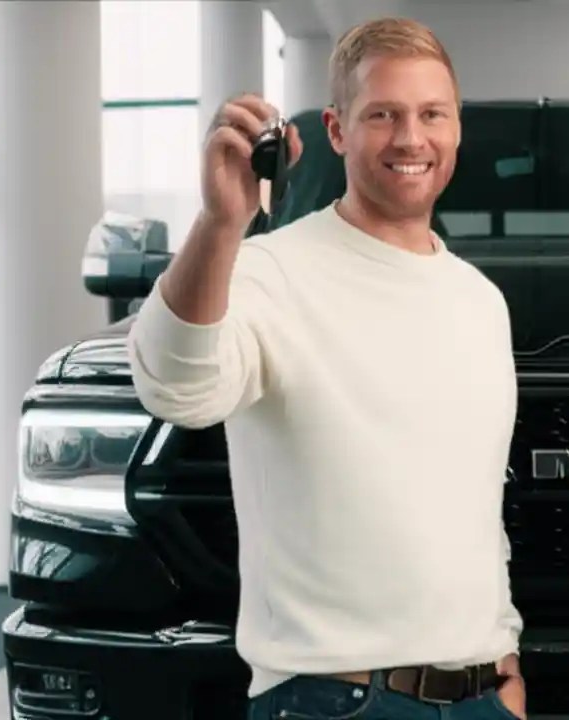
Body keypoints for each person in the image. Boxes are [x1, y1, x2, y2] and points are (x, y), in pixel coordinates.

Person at [126, 16, 528, 720]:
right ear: (339, 131)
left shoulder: (480, 301)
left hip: (479, 699)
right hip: (333, 699)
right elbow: (176, 387)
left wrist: (506, 662)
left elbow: (474, 515)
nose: (411, 138)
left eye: (432, 114)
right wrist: (221, 225)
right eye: (384, 115)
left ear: (456, 127)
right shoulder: (267, 270)